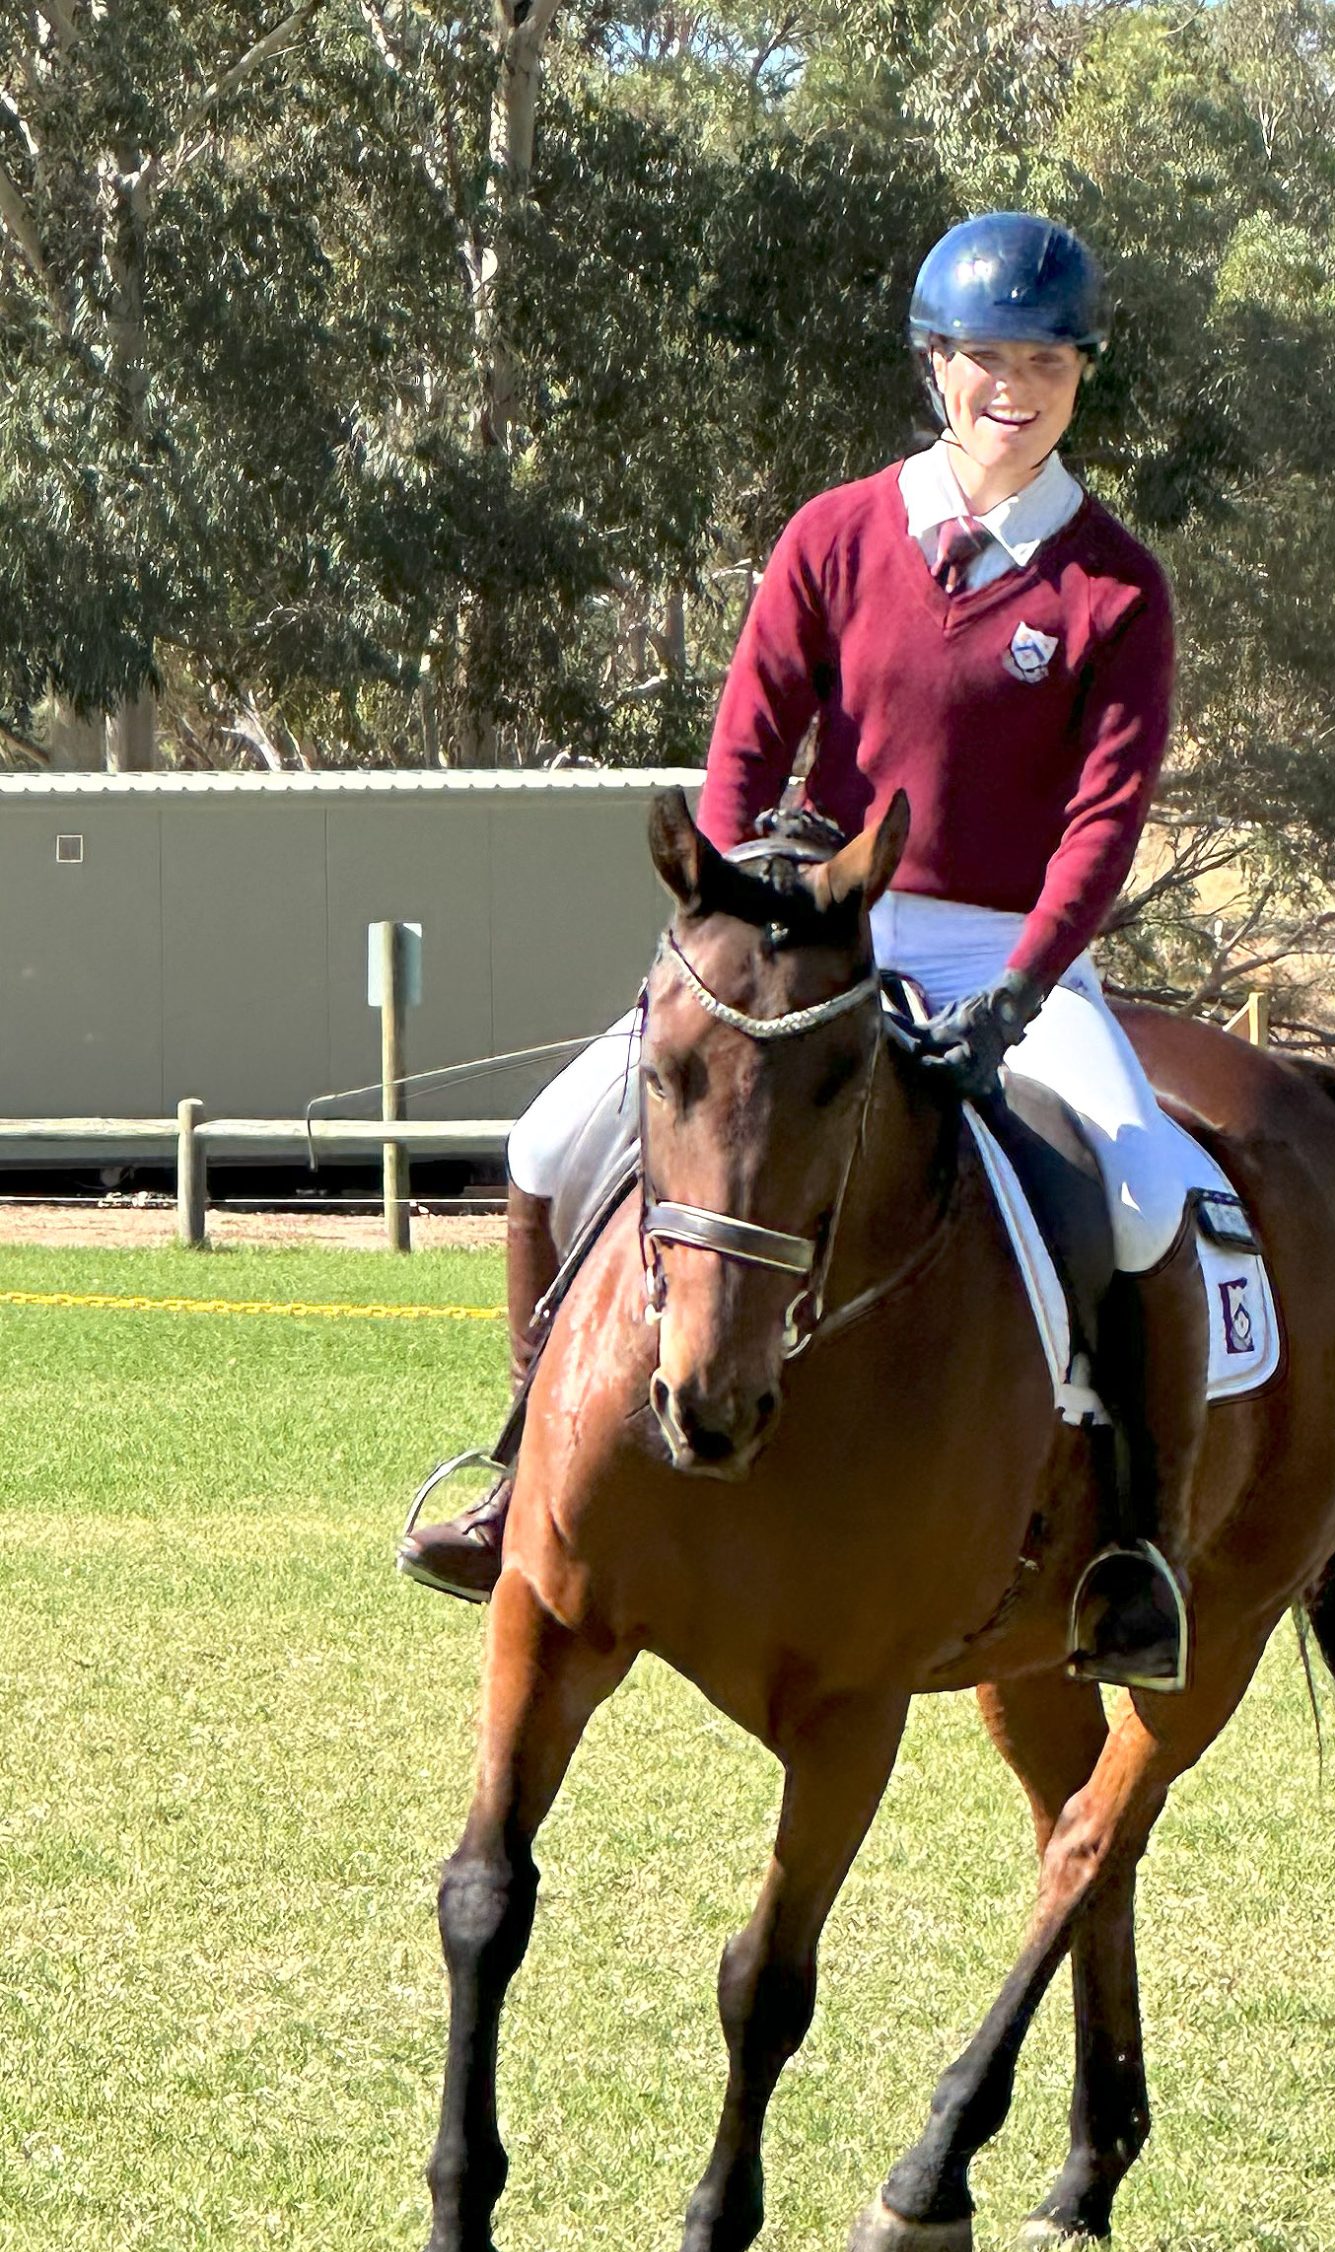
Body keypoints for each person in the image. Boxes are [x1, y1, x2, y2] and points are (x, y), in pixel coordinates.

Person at [399, 210, 1207, 1690]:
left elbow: (1103, 818)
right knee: (546, 1140)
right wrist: (729, 913)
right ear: (934, 368)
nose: (1011, 388)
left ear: (1080, 374)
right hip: (814, 934)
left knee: (1143, 1190)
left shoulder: (1113, 585)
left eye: (1043, 360)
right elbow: (747, 738)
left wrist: (1021, 992)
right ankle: (517, 1472)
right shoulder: (837, 536)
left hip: (1000, 952)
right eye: (983, 360)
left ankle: (1129, 1551)